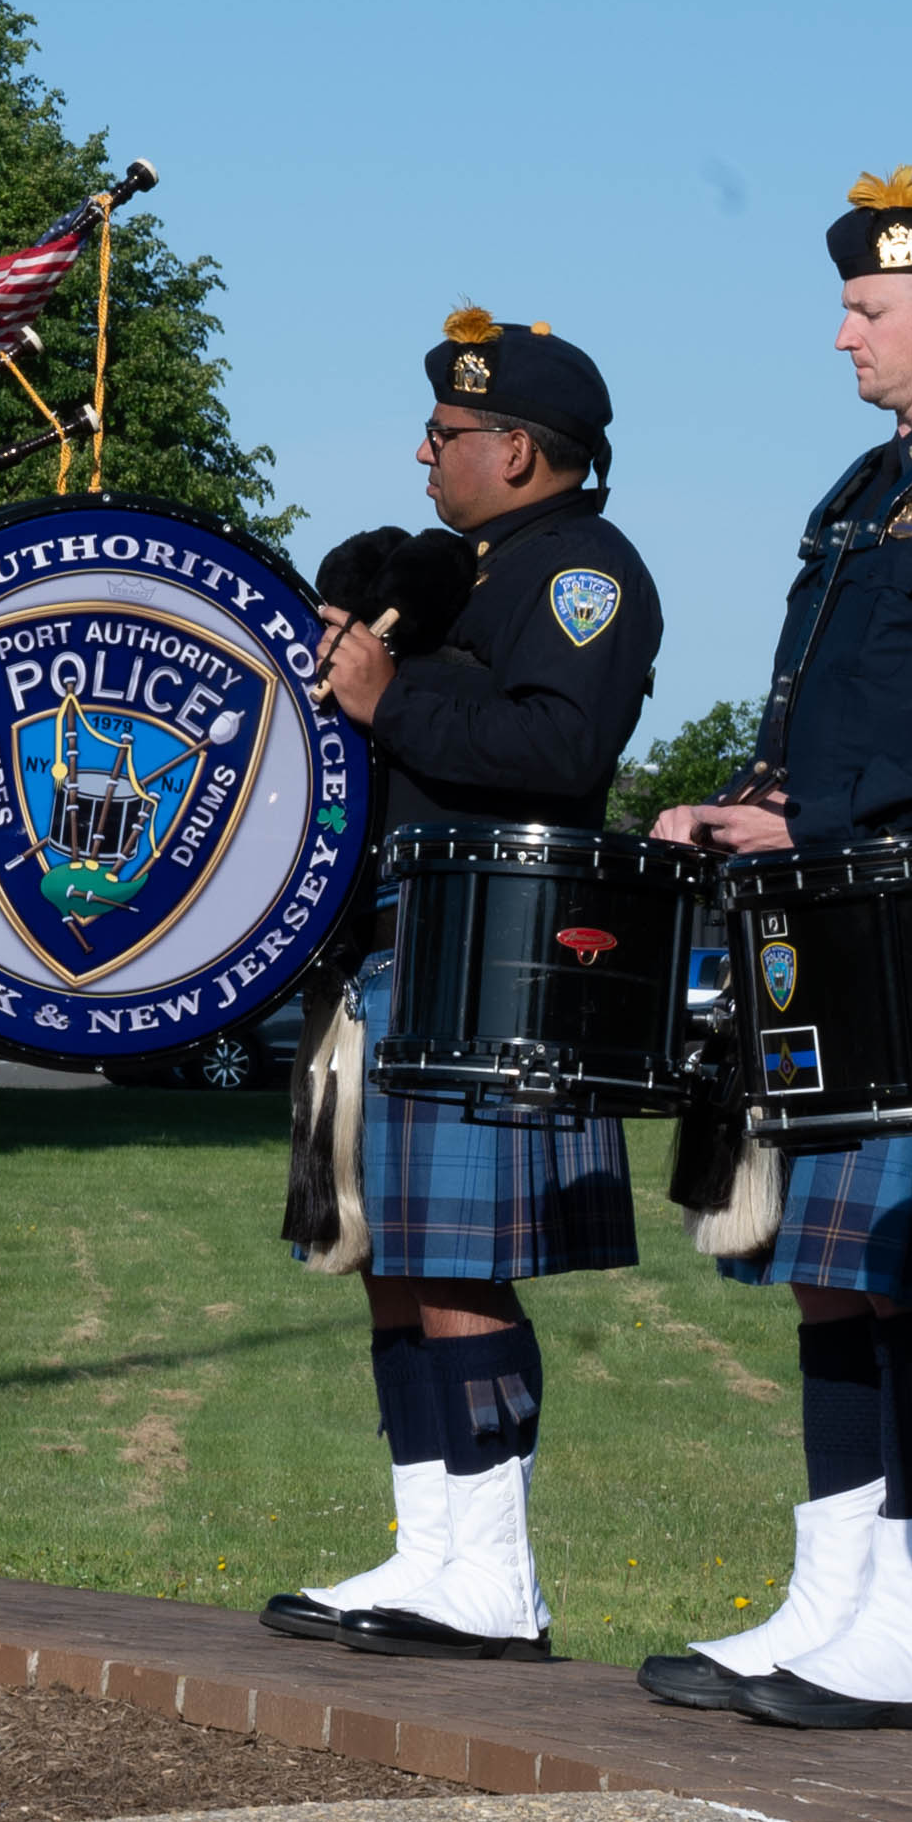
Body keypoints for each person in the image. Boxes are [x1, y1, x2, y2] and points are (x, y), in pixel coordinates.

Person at [639, 170, 912, 1730]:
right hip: (835, 916)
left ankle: (909, 1634)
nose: (843, 335)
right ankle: (829, 1607)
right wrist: (752, 802)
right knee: (830, 1281)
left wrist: (815, 820)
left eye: (867, 307)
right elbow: (827, 710)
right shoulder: (865, 490)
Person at [266, 310, 659, 1659]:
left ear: (521, 449)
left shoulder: (585, 573)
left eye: (445, 434)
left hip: (497, 950)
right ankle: (427, 1547)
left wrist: (390, 697)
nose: (423, 452)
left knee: (460, 1271)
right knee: (392, 1263)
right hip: (401, 941)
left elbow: (560, 749)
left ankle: (494, 1577)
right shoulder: (454, 575)